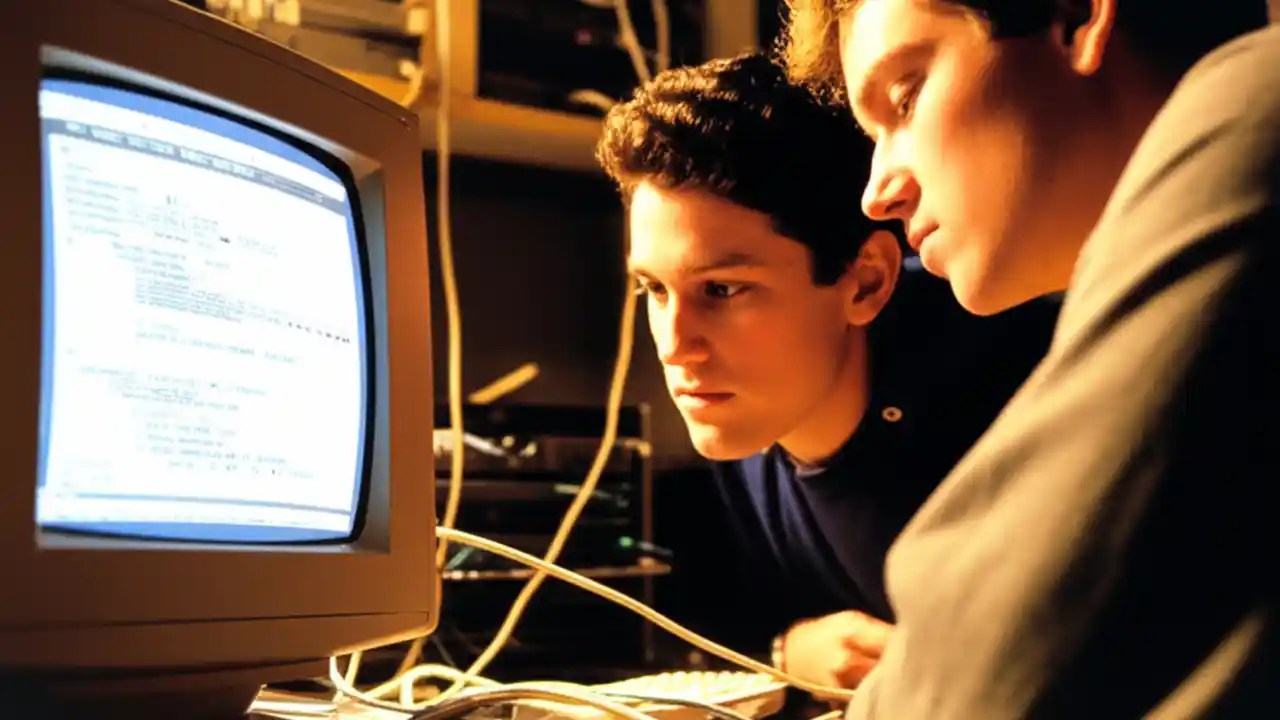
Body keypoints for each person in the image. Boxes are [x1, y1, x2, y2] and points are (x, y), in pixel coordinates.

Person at [780, 0, 1279, 716]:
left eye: (907, 96)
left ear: (1076, 17)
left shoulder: (1256, 104)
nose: (878, 191)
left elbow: (980, 683)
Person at [594, 52, 1059, 693]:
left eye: (723, 290)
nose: (677, 346)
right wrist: (789, 651)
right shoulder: (738, 432)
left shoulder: (1019, 395)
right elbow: (707, 620)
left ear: (865, 282)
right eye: (654, 289)